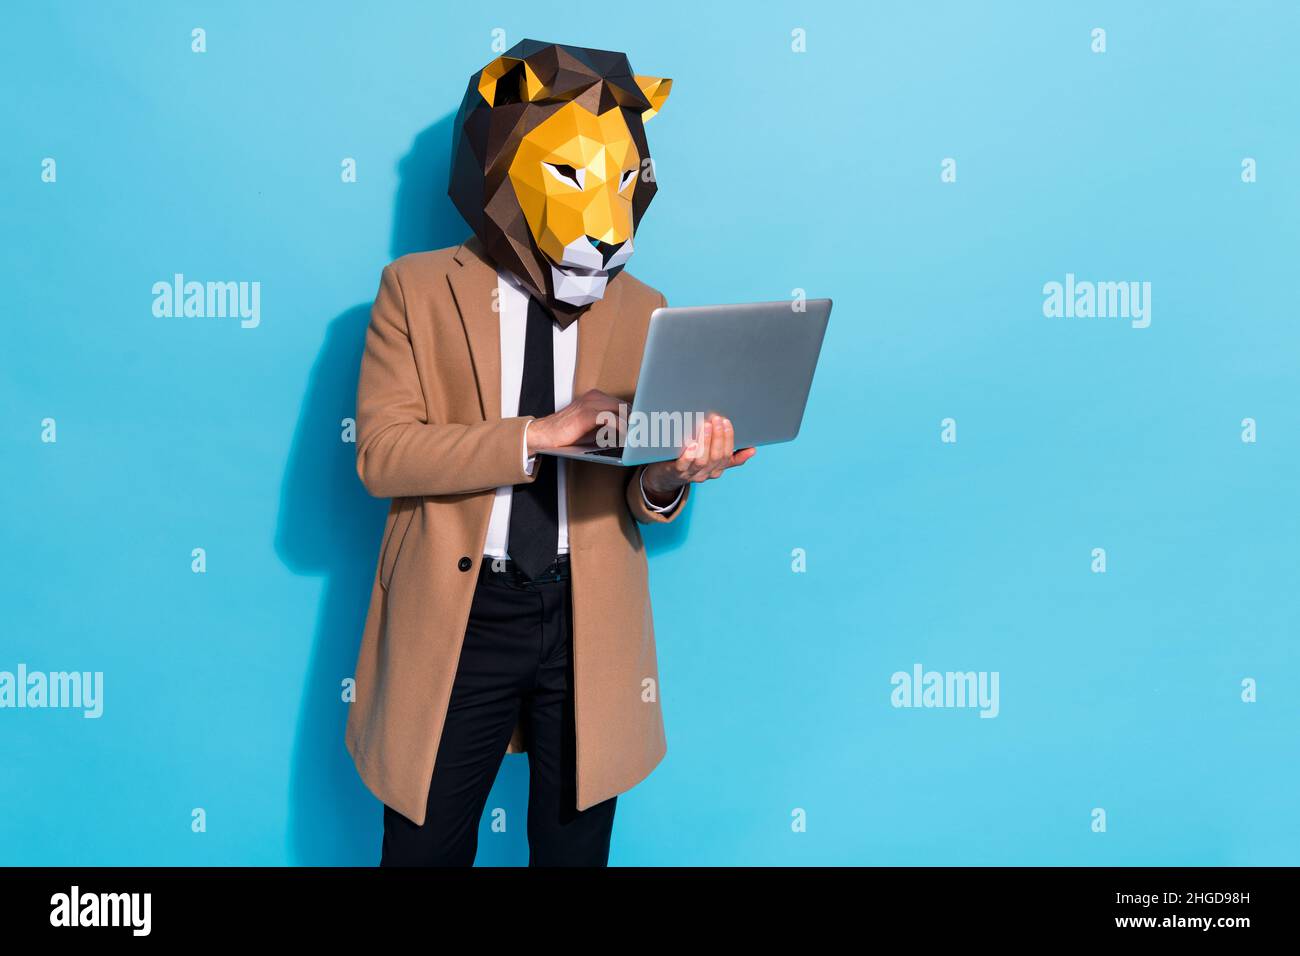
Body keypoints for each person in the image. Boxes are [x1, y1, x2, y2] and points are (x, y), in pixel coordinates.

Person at [345, 40, 754, 867]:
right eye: (573, 176)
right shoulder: (415, 290)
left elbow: (635, 478)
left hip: (586, 610)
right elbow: (382, 456)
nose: (607, 223)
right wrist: (539, 434)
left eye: (621, 183)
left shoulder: (645, 307)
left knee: (575, 853)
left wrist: (674, 475)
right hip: (463, 610)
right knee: (423, 851)